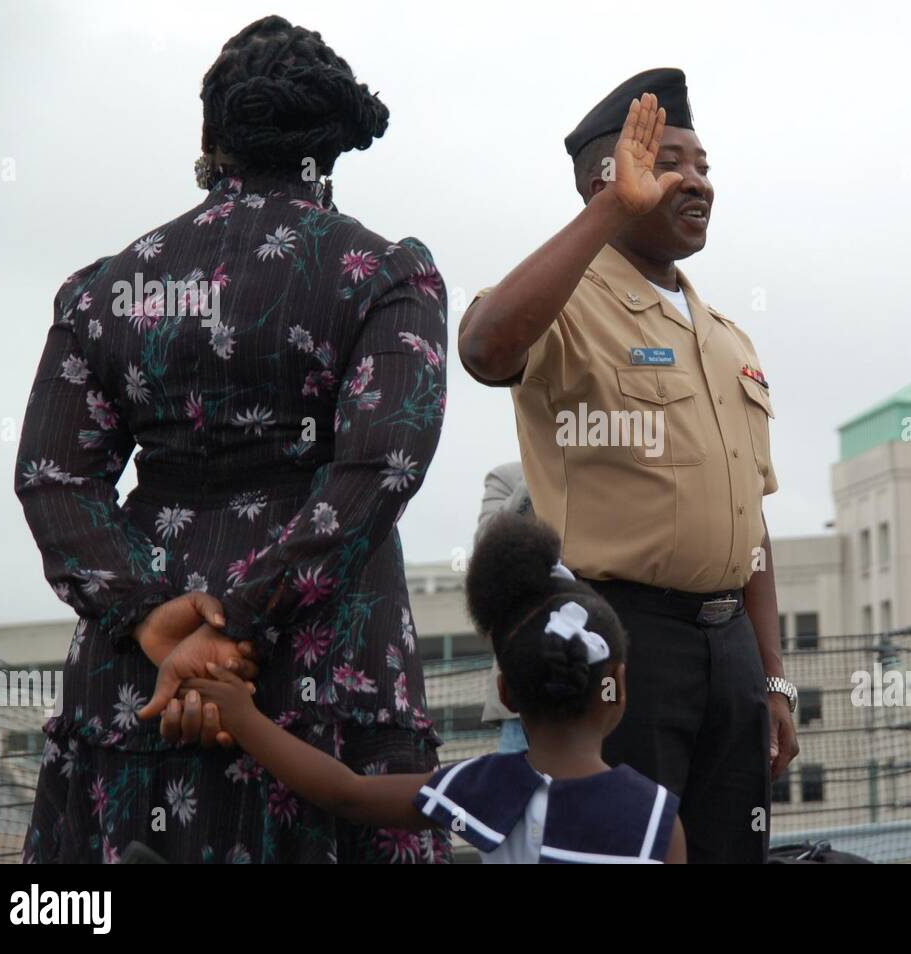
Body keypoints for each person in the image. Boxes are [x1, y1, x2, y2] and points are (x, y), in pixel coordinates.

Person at [14, 15, 450, 863]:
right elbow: (380, 466)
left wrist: (152, 623)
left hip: (138, 677)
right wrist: (244, 624)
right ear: (330, 148)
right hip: (326, 672)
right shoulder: (386, 276)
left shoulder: (103, 290)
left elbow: (51, 478)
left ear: (212, 137)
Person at [458, 69, 797, 863]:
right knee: (623, 852)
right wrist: (612, 211)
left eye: (705, 165)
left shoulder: (726, 336)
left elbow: (751, 519)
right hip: (623, 636)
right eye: (671, 162)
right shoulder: (568, 304)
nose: (699, 183)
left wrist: (772, 678)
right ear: (603, 181)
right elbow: (484, 347)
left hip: (731, 649)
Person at [183, 513, 686, 863]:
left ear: (506, 692)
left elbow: (347, 794)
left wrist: (245, 719)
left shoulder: (489, 788)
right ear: (616, 685)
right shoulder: (658, 818)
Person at [475, 462, 532, 753]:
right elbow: (487, 547)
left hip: (600, 696)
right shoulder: (507, 477)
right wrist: (538, 473)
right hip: (524, 707)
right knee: (516, 797)